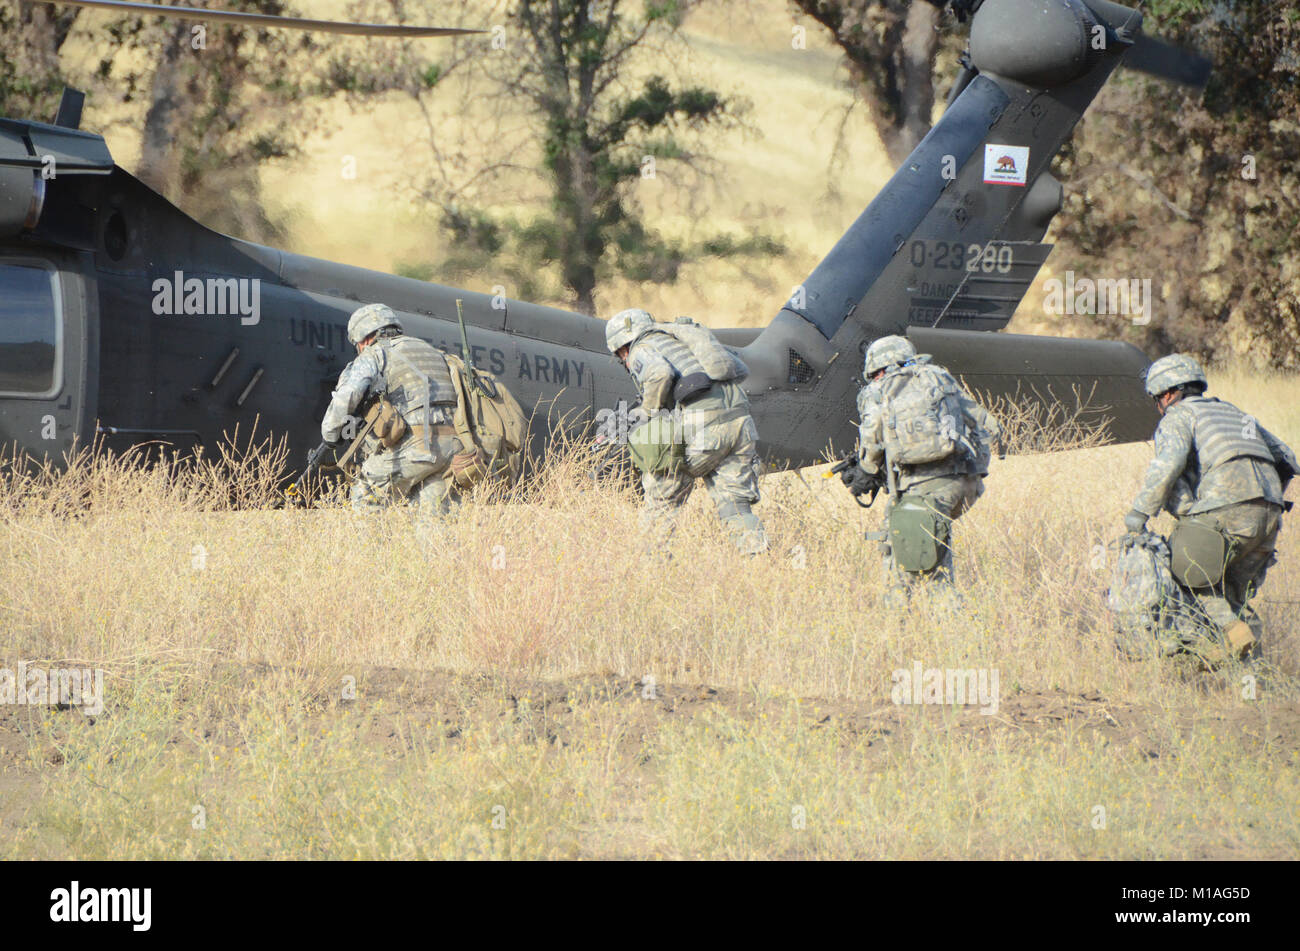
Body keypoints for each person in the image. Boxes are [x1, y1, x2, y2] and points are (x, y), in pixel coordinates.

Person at [1124, 353, 1295, 660]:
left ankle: (1228, 633)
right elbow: (1287, 458)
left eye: (1157, 399)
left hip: (1224, 511)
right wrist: (1263, 498)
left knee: (1183, 569)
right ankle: (1254, 681)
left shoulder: (1178, 416)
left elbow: (1168, 466)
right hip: (1270, 515)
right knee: (1235, 595)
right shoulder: (1235, 413)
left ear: (1167, 393)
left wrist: (1140, 513)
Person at [846, 334, 999, 601]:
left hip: (922, 488)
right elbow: (989, 425)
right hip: (962, 484)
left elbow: (872, 437)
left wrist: (866, 472)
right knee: (933, 545)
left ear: (875, 368)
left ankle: (907, 627)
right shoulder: (938, 377)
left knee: (910, 561)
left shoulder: (878, 391)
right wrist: (976, 469)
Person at [605, 308, 768, 554]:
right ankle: (758, 561)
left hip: (704, 426)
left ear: (623, 349)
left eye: (621, 357)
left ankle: (651, 569)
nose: (625, 361)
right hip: (741, 422)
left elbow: (660, 374)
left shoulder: (641, 348)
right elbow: (740, 370)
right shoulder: (683, 340)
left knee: (662, 493)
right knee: (735, 505)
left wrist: (646, 412)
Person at [320, 303, 463, 514]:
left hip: (417, 447)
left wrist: (330, 435)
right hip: (453, 448)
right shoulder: (430, 351)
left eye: (358, 344)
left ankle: (371, 548)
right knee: (435, 527)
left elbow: (348, 395)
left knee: (366, 494)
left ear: (365, 338)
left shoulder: (375, 354)